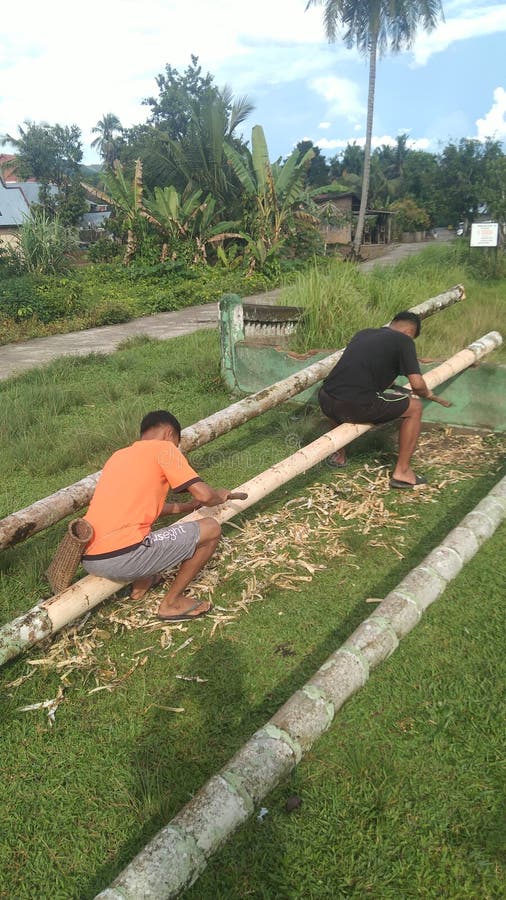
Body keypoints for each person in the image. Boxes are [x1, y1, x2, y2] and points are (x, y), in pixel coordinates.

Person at [82, 410, 233, 621]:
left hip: (90, 558)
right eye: (177, 444)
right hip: (124, 556)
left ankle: (141, 583)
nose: (176, 449)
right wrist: (220, 495)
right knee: (211, 528)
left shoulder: (118, 456)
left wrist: (188, 507)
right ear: (169, 433)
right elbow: (206, 495)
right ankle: (172, 603)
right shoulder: (164, 449)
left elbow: (147, 507)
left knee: (141, 531)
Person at [318, 311, 434, 488]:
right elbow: (417, 384)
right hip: (355, 407)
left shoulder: (364, 333)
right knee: (415, 408)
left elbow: (359, 369)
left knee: (342, 392)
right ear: (410, 333)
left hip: (326, 400)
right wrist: (426, 393)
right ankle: (402, 472)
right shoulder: (404, 341)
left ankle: (338, 456)